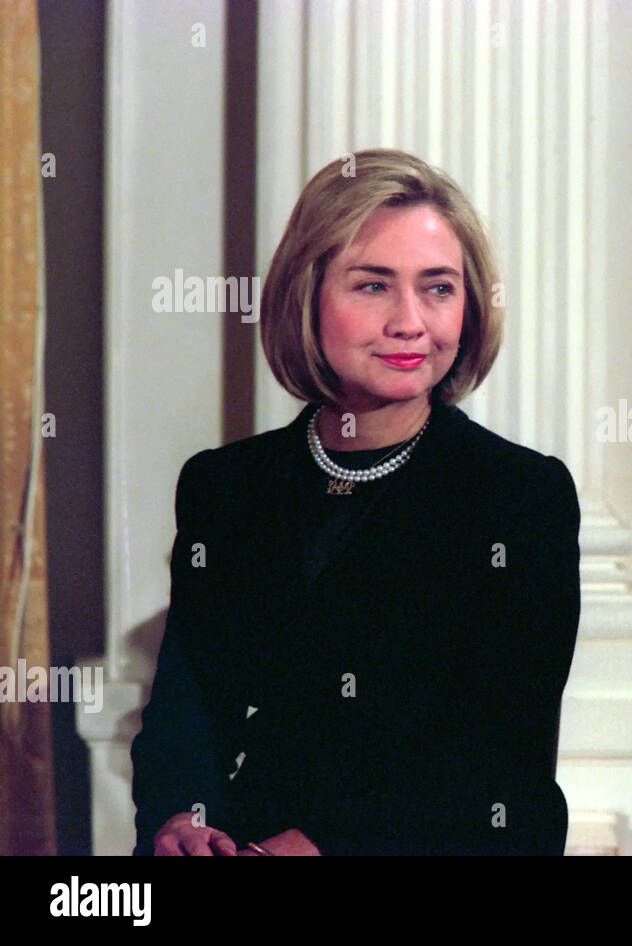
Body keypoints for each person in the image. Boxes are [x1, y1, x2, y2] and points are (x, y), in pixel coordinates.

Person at [131, 149, 580, 855]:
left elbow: (499, 753)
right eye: (373, 286)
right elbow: (189, 711)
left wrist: (317, 846)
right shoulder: (226, 486)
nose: (410, 321)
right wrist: (180, 822)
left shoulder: (519, 495)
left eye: (438, 289)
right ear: (306, 295)